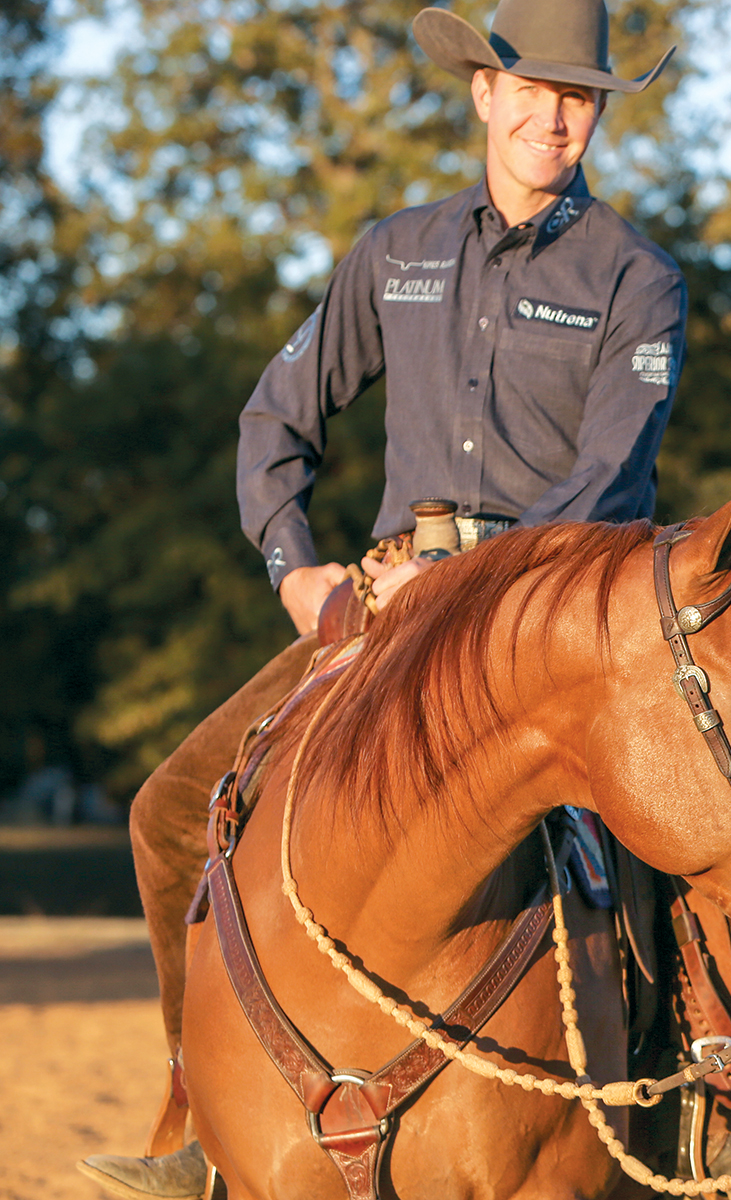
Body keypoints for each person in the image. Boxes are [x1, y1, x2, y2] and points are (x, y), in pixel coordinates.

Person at [79, 2, 686, 1198]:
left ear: (598, 112)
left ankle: (715, 1100)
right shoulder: (395, 252)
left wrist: (464, 583)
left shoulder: (636, 279)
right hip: (381, 609)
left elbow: (607, 478)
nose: (554, 115)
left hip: (547, 614)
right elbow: (277, 419)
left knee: (690, 818)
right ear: (484, 94)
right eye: (533, 89)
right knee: (168, 813)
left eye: (580, 96)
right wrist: (294, 568)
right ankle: (197, 1121)